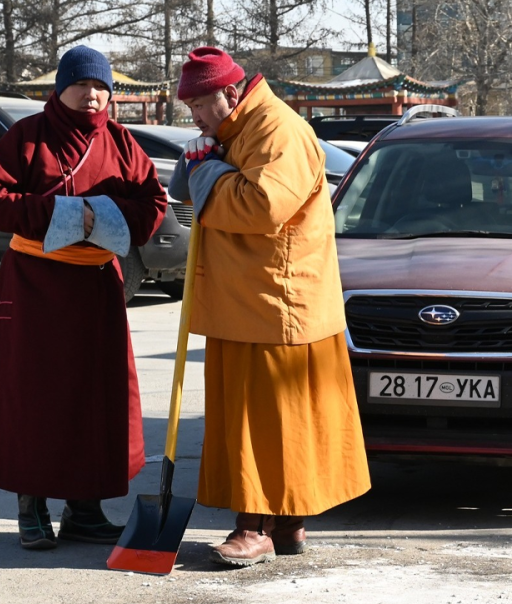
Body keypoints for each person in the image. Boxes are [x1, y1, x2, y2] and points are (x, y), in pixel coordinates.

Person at [168, 46, 372, 567]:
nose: (193, 119)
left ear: (231, 94)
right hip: (256, 303)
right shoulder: (240, 130)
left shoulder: (277, 129)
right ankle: (287, 524)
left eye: (198, 107)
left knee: (256, 421)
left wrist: (207, 174)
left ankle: (253, 526)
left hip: (273, 305)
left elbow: (262, 206)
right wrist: (202, 165)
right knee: (280, 421)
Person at [0, 45, 168, 550]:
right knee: (34, 396)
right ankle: (30, 506)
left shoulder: (122, 142)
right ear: (61, 88)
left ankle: (86, 508)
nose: (93, 94)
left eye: (101, 86)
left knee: (95, 395)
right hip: (35, 285)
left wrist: (104, 216)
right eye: (83, 85)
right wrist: (56, 213)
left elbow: (153, 200)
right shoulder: (26, 137)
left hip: (96, 284)